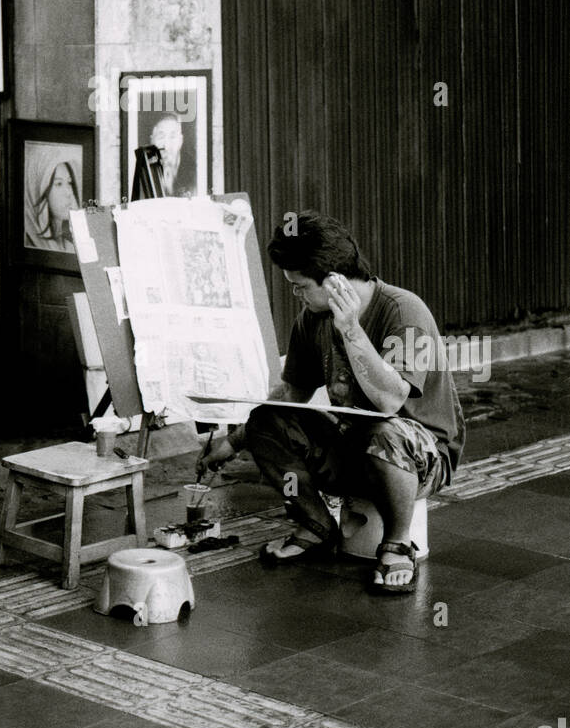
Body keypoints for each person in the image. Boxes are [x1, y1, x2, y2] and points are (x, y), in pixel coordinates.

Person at [199, 210, 465, 595]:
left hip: (422, 458)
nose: (296, 294)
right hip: (355, 446)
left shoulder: (404, 311)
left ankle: (397, 543)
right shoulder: (311, 320)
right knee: (267, 420)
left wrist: (352, 330)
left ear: (336, 281)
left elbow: (390, 401)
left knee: (384, 431)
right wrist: (233, 442)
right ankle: (316, 525)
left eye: (301, 285)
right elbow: (292, 396)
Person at [24, 146, 81, 252]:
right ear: (38, 189)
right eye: (59, 184)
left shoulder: (69, 247)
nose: (69, 192)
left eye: (69, 182)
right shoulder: (30, 246)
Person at [149, 113, 184, 195]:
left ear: (181, 141)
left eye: (172, 137)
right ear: (152, 141)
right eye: (161, 137)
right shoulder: (144, 175)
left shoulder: (195, 176)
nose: (166, 146)